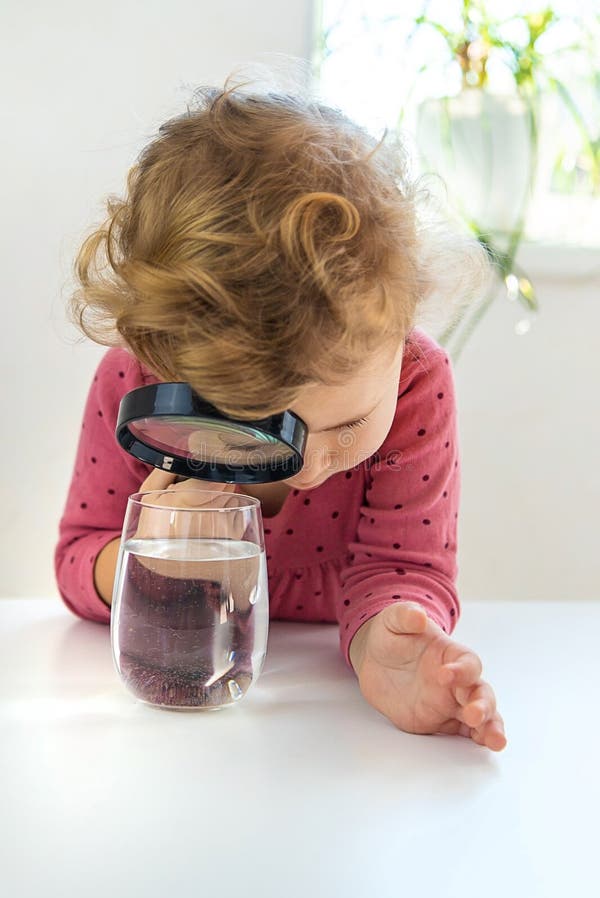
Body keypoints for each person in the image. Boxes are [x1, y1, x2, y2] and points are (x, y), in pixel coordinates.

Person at [54, 70, 506, 751]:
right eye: (259, 432)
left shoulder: (418, 382)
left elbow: (402, 570)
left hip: (323, 723)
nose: (309, 469)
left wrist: (391, 649)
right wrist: (150, 556)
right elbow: (76, 558)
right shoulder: (133, 381)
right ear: (170, 366)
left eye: (348, 426)